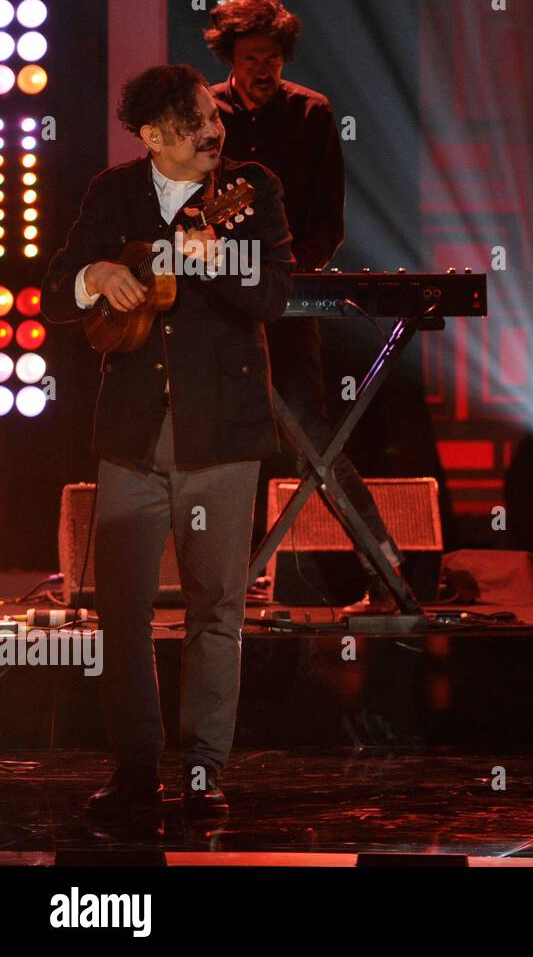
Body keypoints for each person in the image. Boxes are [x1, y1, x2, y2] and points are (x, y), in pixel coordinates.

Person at [41, 64, 293, 822]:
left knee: (218, 605)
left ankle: (202, 769)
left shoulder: (254, 192)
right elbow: (57, 290)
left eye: (215, 117)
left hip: (222, 432)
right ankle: (134, 767)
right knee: (122, 606)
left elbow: (276, 296)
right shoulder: (112, 193)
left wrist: (221, 264)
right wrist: (98, 274)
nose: (215, 132)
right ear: (154, 136)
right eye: (195, 124)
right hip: (132, 434)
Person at [205, 0, 411, 611]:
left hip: (289, 299)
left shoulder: (313, 113)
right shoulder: (203, 111)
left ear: (284, 57)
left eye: (271, 58)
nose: (261, 69)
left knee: (314, 441)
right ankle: (220, 587)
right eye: (250, 58)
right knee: (217, 439)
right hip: (216, 309)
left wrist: (292, 276)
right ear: (231, 58)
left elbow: (329, 217)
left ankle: (387, 571)